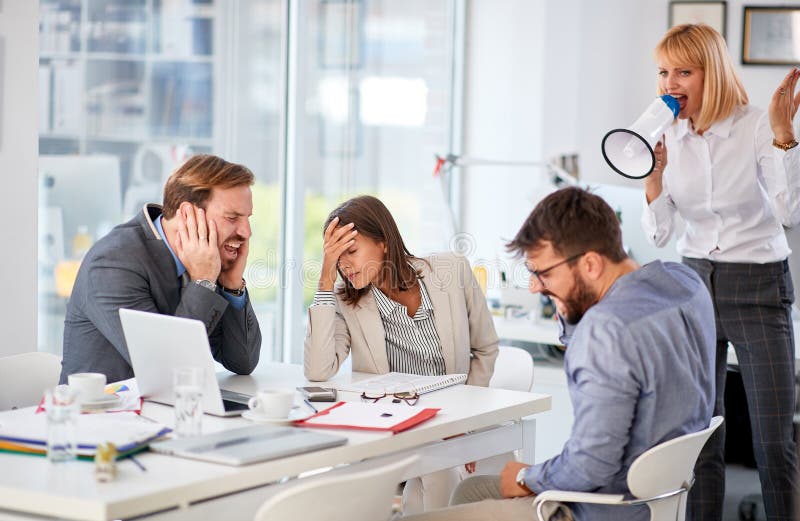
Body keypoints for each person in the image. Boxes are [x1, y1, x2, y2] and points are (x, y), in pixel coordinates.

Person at [404, 186, 716, 521]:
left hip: (597, 509)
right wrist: (567, 303)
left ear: (591, 264)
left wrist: (528, 477)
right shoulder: (685, 283)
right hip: (656, 501)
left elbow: (590, 465)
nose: (535, 286)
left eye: (544, 273)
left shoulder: (604, 329)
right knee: (471, 490)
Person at [641, 24, 800, 521]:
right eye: (664, 71)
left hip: (757, 288)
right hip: (694, 286)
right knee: (702, 437)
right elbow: (660, 235)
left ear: (712, 73)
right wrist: (654, 180)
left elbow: (789, 213)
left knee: (773, 442)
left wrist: (783, 136)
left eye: (683, 71)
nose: (670, 83)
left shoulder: (756, 126)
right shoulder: (666, 134)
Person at [304, 194, 498, 513]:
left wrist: (465, 423)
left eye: (350, 251)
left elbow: (486, 347)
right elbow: (318, 370)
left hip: (454, 417)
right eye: (337, 258)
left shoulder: (451, 270)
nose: (345, 265)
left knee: (435, 472)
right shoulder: (343, 299)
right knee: (435, 470)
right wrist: (325, 278)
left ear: (382, 242)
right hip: (396, 425)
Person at [60, 154, 262, 384]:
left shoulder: (205, 258)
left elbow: (243, 362)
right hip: (100, 415)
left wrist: (232, 285)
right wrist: (204, 282)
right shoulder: (112, 263)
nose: (246, 232)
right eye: (232, 217)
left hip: (164, 410)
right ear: (189, 215)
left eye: (247, 218)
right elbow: (166, 371)